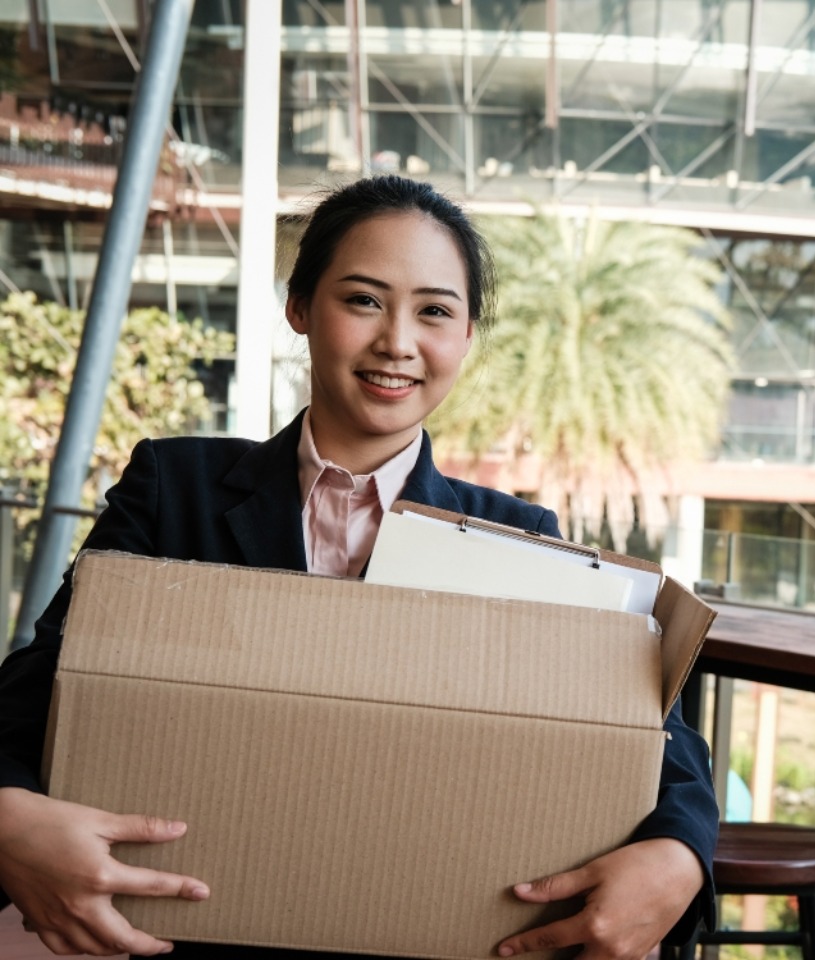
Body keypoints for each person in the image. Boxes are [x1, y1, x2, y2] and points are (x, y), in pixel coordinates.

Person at [0, 175, 719, 959]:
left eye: (436, 311)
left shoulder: (522, 540)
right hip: (197, 931)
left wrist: (680, 856)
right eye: (364, 300)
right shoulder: (175, 491)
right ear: (301, 309)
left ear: (468, 336)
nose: (398, 342)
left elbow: (660, 745)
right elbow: (33, 695)